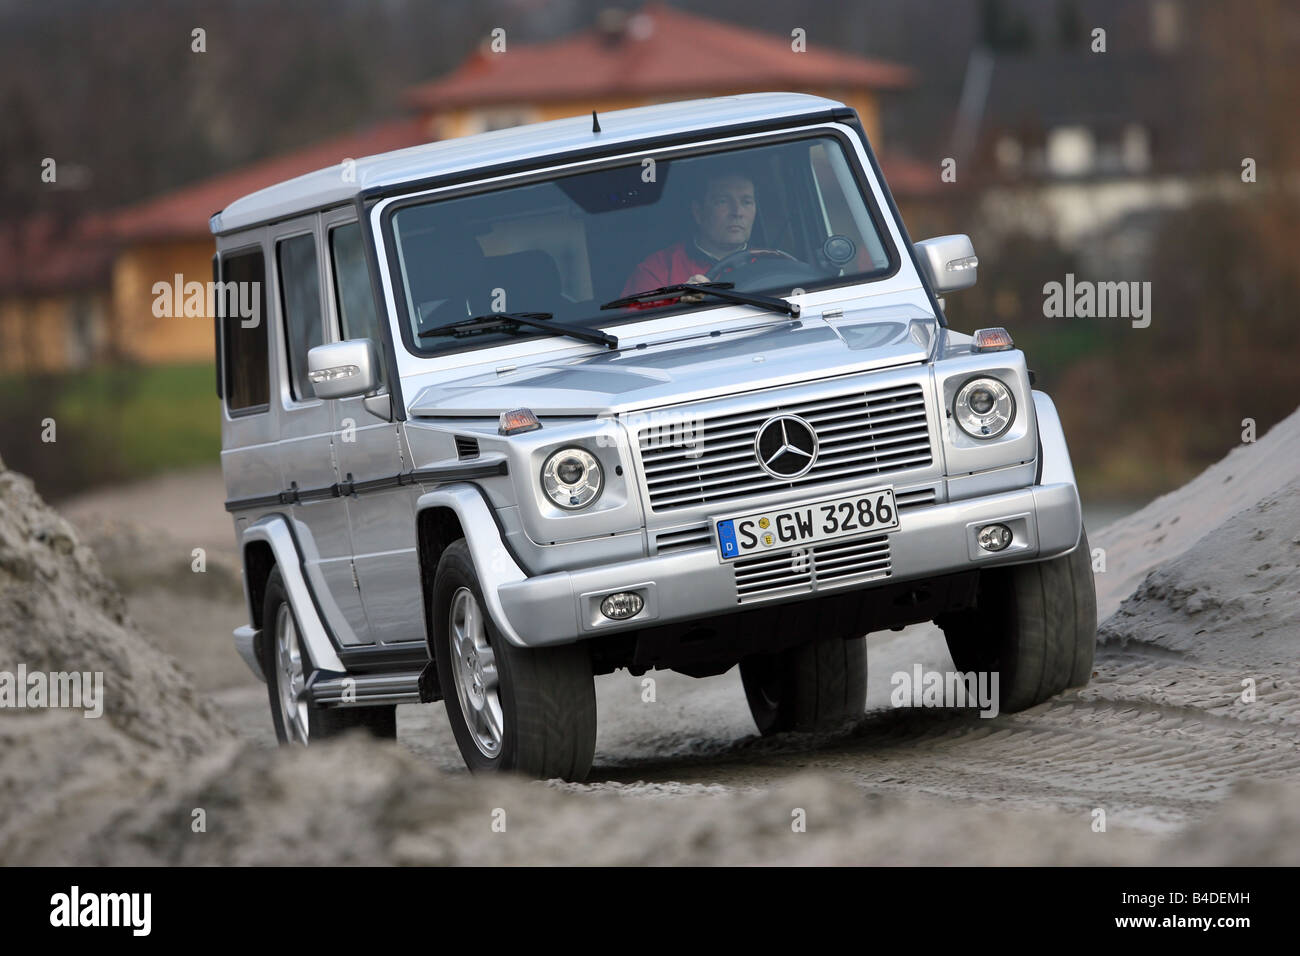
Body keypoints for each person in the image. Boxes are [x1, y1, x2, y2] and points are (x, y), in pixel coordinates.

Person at [620, 170, 761, 297]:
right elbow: (636, 324)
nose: (737, 212)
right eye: (722, 202)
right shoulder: (656, 270)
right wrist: (680, 305)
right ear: (698, 212)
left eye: (746, 202)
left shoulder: (771, 262)